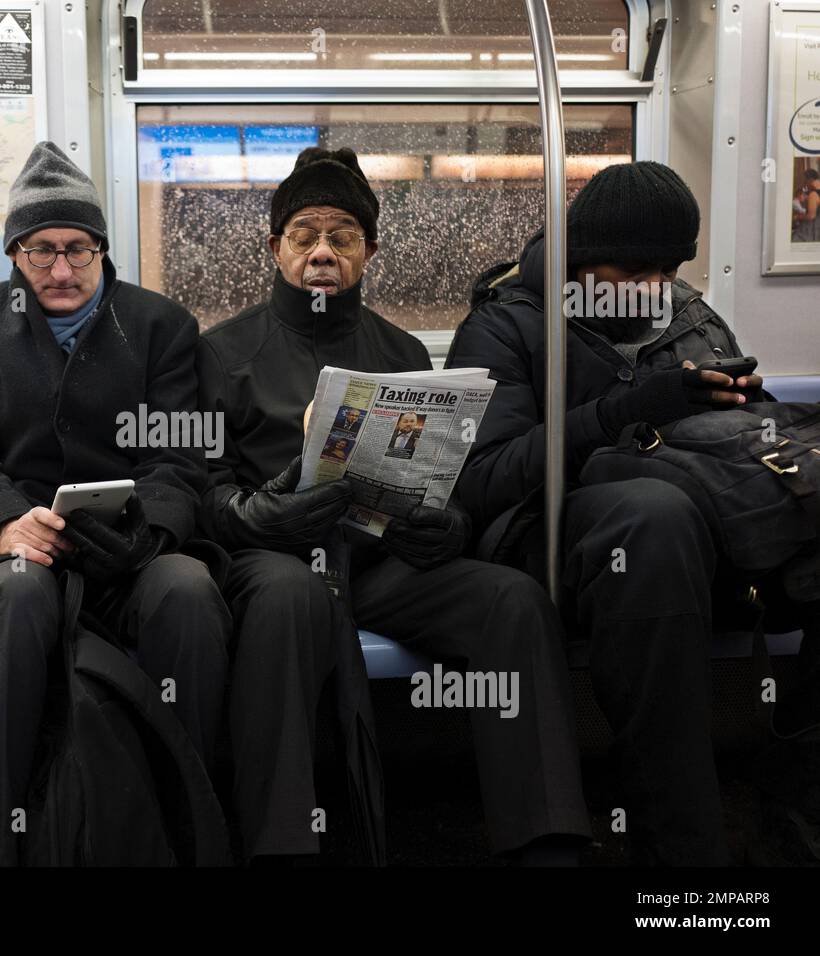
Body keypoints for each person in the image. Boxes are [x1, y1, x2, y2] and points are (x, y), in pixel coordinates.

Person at [198, 146, 591, 864]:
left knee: (512, 599)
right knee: (289, 597)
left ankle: (547, 841)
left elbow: (444, 479)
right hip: (277, 561)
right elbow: (207, 490)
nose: (322, 252)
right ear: (275, 246)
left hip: (379, 562)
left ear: (369, 250)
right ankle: (283, 845)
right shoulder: (222, 353)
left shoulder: (404, 350)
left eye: (342, 236)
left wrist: (448, 527)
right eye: (304, 235)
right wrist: (252, 515)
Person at [448, 160, 819, 864]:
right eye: (634, 270)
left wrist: (748, 414)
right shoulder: (507, 328)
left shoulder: (688, 315)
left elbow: (736, 435)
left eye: (669, 267)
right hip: (566, 545)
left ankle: (797, 815)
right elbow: (483, 480)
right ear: (582, 263)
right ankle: (681, 852)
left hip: (707, 534)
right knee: (651, 517)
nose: (655, 289)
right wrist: (621, 411)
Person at [0, 142, 231, 867]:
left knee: (187, 590)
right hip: (19, 554)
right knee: (19, 597)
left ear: (101, 250)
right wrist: (3, 523)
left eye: (78, 250)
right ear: (15, 255)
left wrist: (148, 531)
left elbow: (178, 455)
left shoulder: (160, 326)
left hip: (131, 551)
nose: (61, 270)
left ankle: (198, 833)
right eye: (41, 251)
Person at [792, 168, 820, 243]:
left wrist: (798, 217)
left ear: (810, 180)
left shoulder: (813, 194)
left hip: (813, 229)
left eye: (805, 181)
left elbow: (811, 216)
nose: (805, 184)